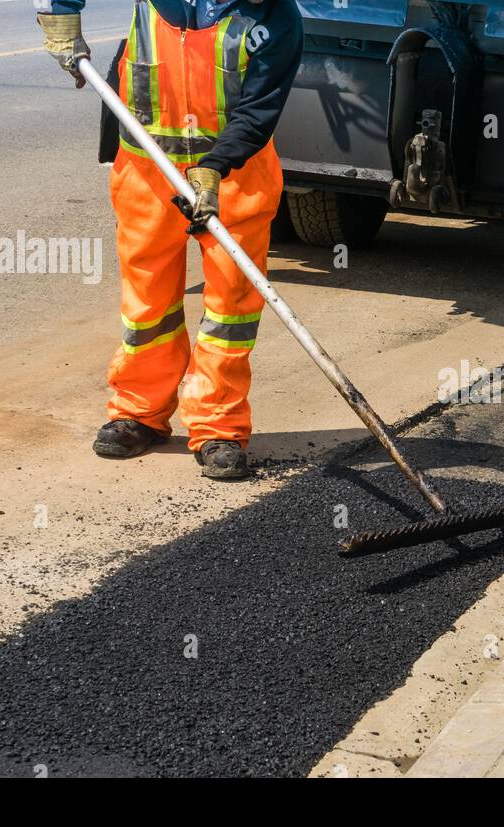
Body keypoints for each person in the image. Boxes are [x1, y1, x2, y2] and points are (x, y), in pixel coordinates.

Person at [37, 0, 303, 479]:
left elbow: (260, 108)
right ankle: (138, 413)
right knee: (147, 300)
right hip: (147, 167)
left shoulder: (277, 19)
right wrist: (60, 15)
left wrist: (215, 167)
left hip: (233, 174)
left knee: (231, 307)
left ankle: (218, 427)